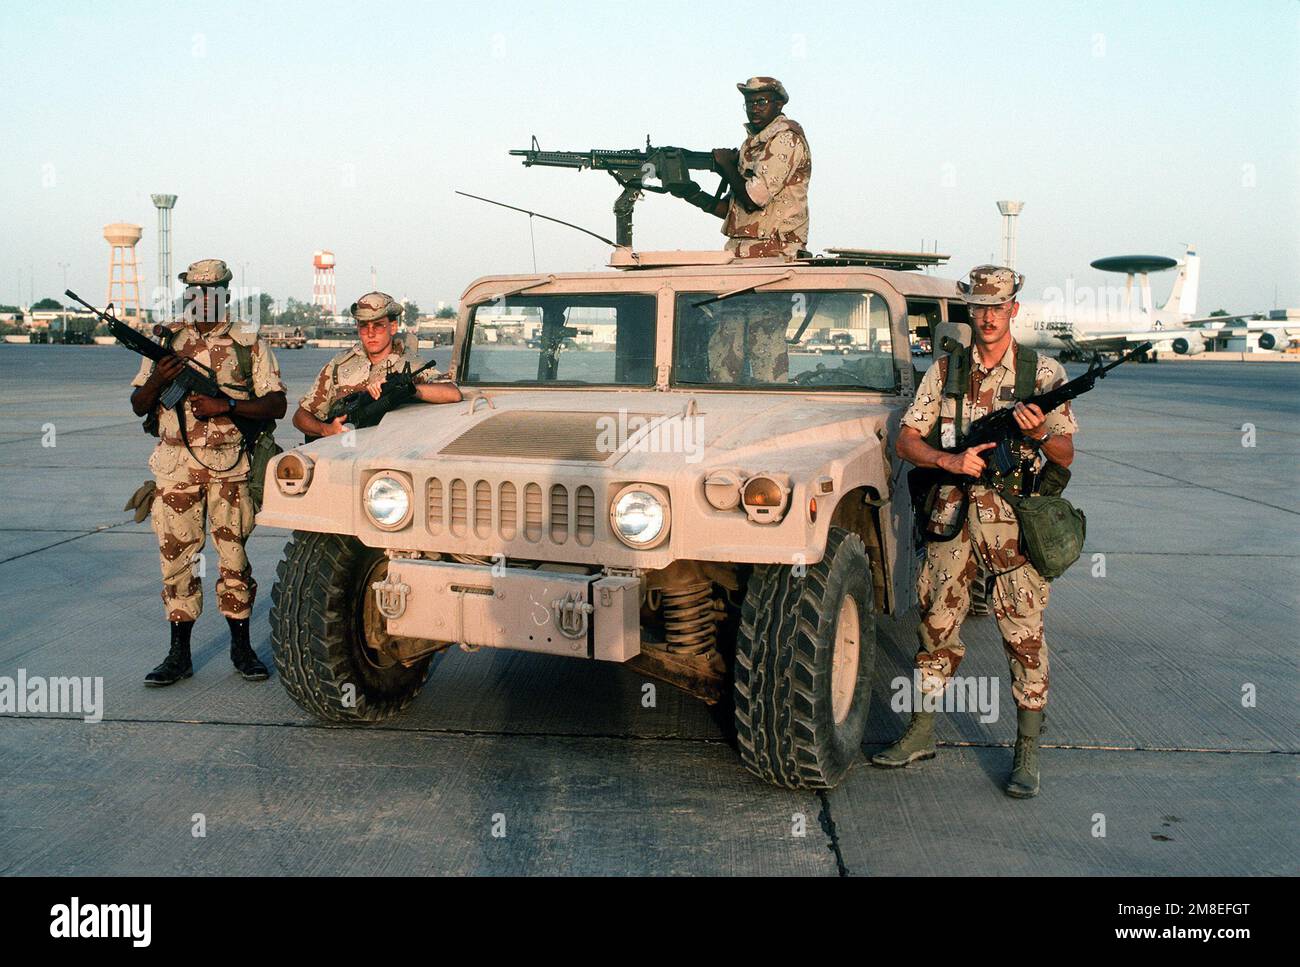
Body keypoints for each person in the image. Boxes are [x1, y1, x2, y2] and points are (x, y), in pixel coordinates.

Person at [873, 265, 1079, 798]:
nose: (988, 317)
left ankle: (1027, 752)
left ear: (1014, 308)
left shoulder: (1043, 374)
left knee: (1023, 637)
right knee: (935, 628)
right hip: (953, 520)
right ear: (970, 311)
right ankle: (920, 733)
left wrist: (1037, 433)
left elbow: (1066, 454)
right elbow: (906, 442)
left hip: (1014, 524)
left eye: (998, 306)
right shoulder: (945, 371)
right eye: (979, 308)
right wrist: (950, 459)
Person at [130, 259, 287, 686]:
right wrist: (158, 381)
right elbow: (138, 405)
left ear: (225, 294)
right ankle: (178, 654)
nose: (201, 301)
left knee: (234, 560)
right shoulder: (168, 341)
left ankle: (241, 648)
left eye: (211, 293)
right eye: (194, 294)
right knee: (176, 562)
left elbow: (276, 405)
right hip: (175, 467)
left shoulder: (248, 341)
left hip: (229, 468)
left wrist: (228, 406)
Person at [671, 76, 812, 259]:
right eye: (749, 103)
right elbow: (731, 210)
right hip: (745, 255)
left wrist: (727, 166)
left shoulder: (785, 139)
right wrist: (689, 192)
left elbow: (753, 200)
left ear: (779, 105)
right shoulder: (753, 145)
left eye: (761, 102)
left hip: (778, 254)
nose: (754, 109)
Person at [292, 291, 461, 440]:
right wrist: (326, 430)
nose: (371, 333)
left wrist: (411, 389)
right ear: (358, 329)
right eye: (364, 326)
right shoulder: (339, 365)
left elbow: (453, 394)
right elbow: (301, 416)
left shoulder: (411, 365)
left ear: (393, 327)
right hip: (341, 451)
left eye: (378, 325)